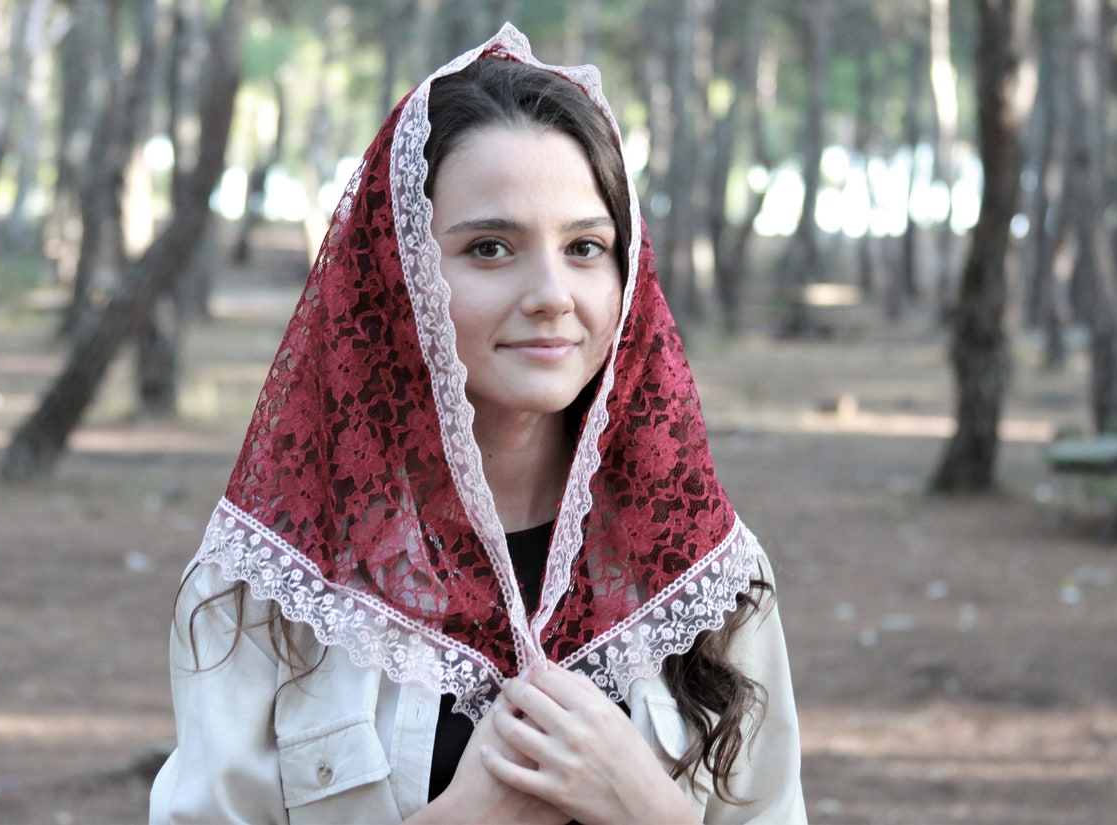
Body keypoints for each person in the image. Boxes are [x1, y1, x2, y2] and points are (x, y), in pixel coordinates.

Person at [150, 23, 806, 825]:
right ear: (397, 274)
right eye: (491, 248)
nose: (552, 295)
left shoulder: (700, 571)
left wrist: (642, 806)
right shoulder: (276, 580)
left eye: (586, 247)